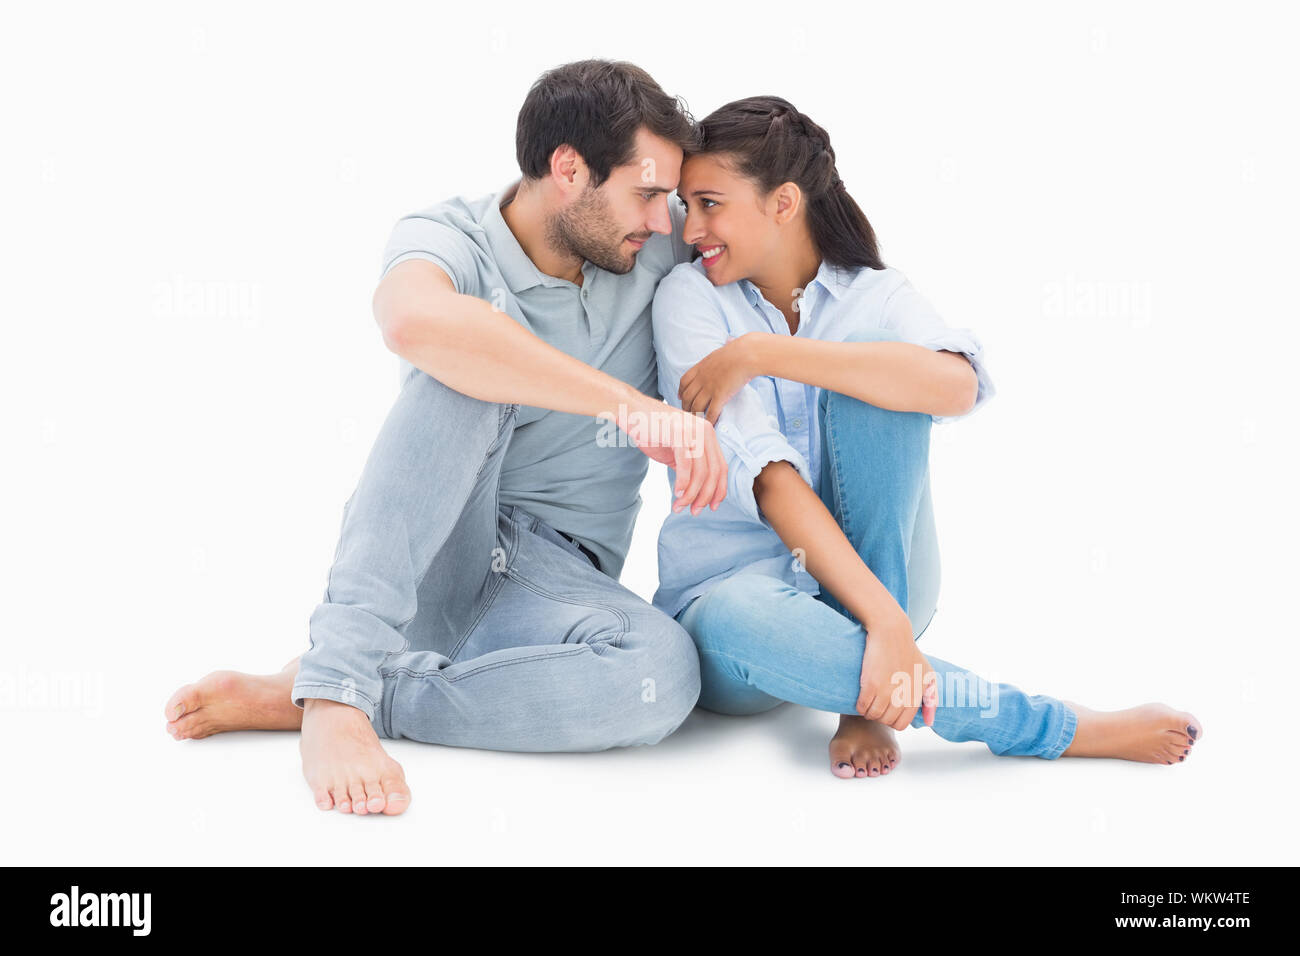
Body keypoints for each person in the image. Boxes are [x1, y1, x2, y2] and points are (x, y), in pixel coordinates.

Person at [162, 59, 732, 815]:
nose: (666, 221)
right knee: (467, 360)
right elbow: (409, 319)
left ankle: (349, 691)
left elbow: (780, 245)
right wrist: (631, 407)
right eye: (649, 192)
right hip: (439, 552)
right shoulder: (448, 236)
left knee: (663, 673)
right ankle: (338, 690)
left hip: (553, 589)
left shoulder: (651, 249)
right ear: (569, 169)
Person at [651, 96, 1202, 779]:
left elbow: (956, 387)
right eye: (686, 206)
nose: (689, 227)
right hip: (740, 610)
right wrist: (886, 625)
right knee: (741, 613)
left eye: (709, 204)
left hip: (886, 573)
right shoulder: (688, 297)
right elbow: (767, 478)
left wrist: (765, 352)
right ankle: (1057, 725)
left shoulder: (872, 295)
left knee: (887, 364)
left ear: (784, 203)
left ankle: (866, 695)